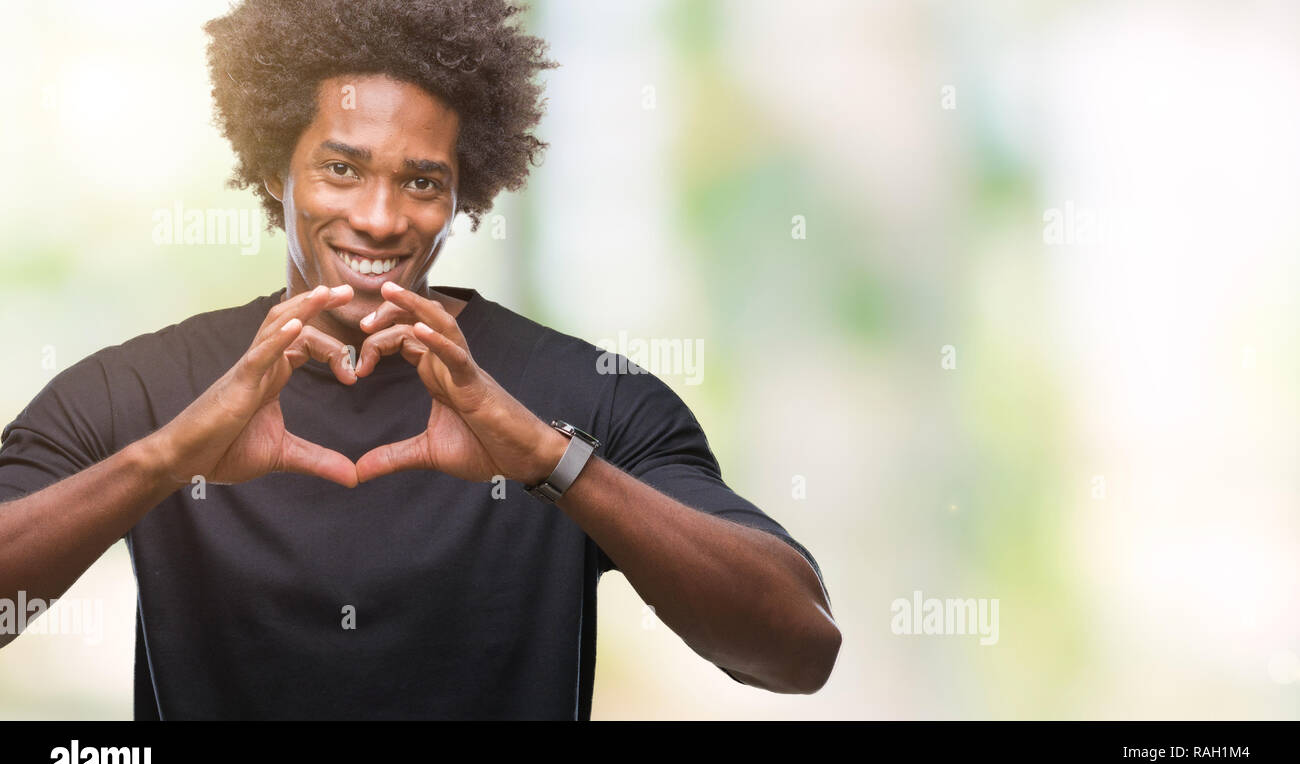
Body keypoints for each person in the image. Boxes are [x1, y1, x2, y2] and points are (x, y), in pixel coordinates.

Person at [0, 0, 839, 719]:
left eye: (422, 182)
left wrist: (552, 462)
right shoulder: (142, 391)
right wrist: (164, 460)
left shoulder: (587, 394)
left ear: (461, 194)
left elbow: (799, 650)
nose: (380, 217)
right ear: (273, 170)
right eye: (340, 168)